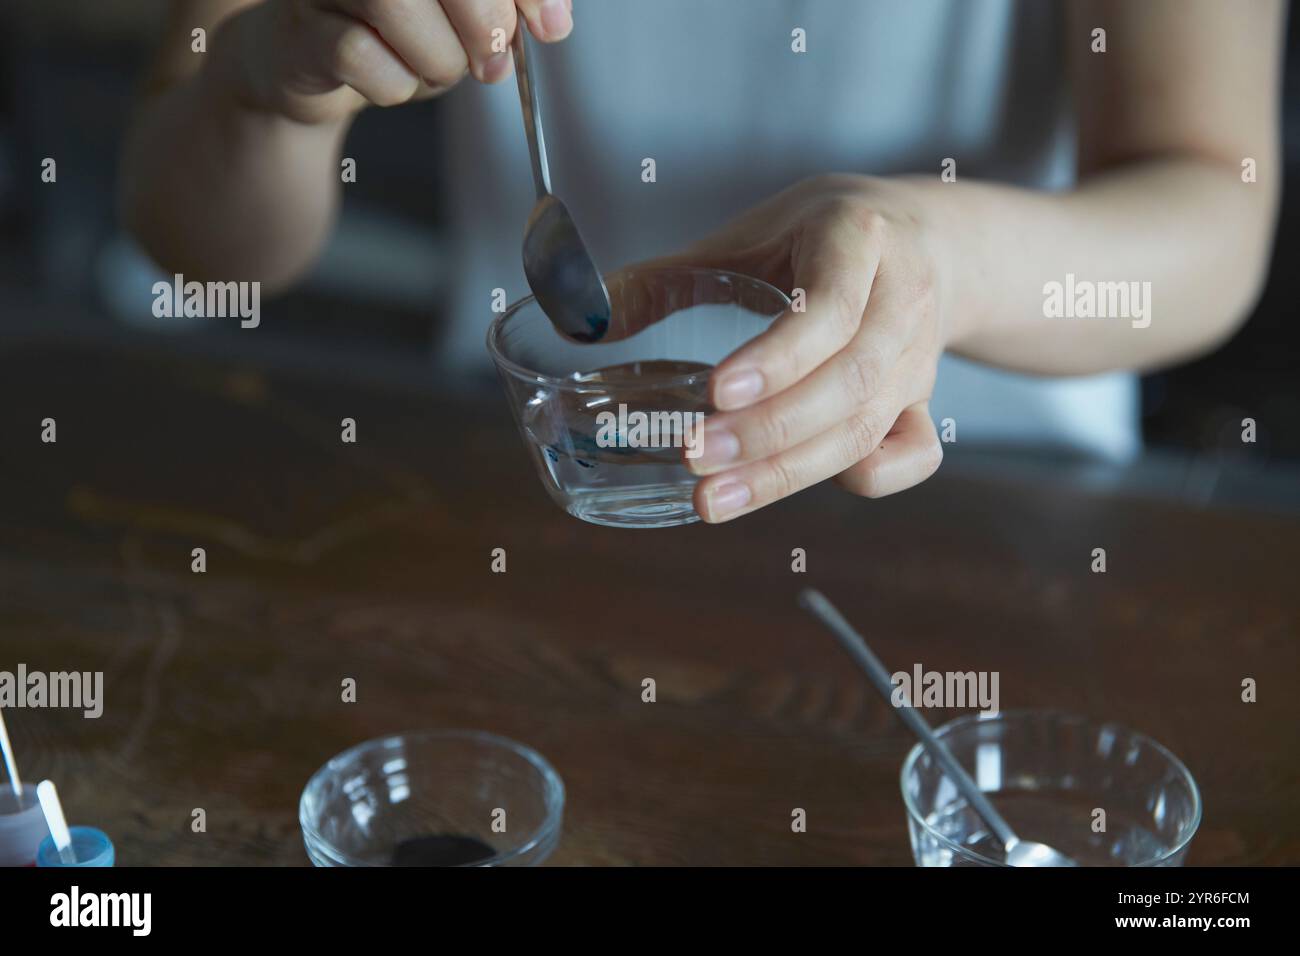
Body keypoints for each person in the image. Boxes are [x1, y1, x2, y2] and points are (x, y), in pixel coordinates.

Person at [119, 0, 1286, 523]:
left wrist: (941, 260)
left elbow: (1211, 213)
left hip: (1001, 491)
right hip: (539, 473)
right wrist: (268, 81)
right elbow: (199, 246)